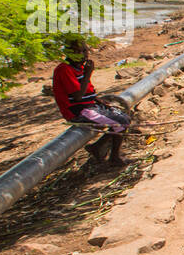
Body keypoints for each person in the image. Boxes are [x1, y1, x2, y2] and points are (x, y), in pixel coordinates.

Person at [52, 38, 130, 166]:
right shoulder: (64, 70)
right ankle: (113, 157)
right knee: (121, 122)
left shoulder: (78, 68)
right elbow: (77, 96)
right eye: (77, 51)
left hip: (88, 106)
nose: (83, 54)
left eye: (84, 50)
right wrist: (88, 73)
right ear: (68, 53)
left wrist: (96, 99)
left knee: (124, 117)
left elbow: (86, 91)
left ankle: (98, 147)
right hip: (77, 111)